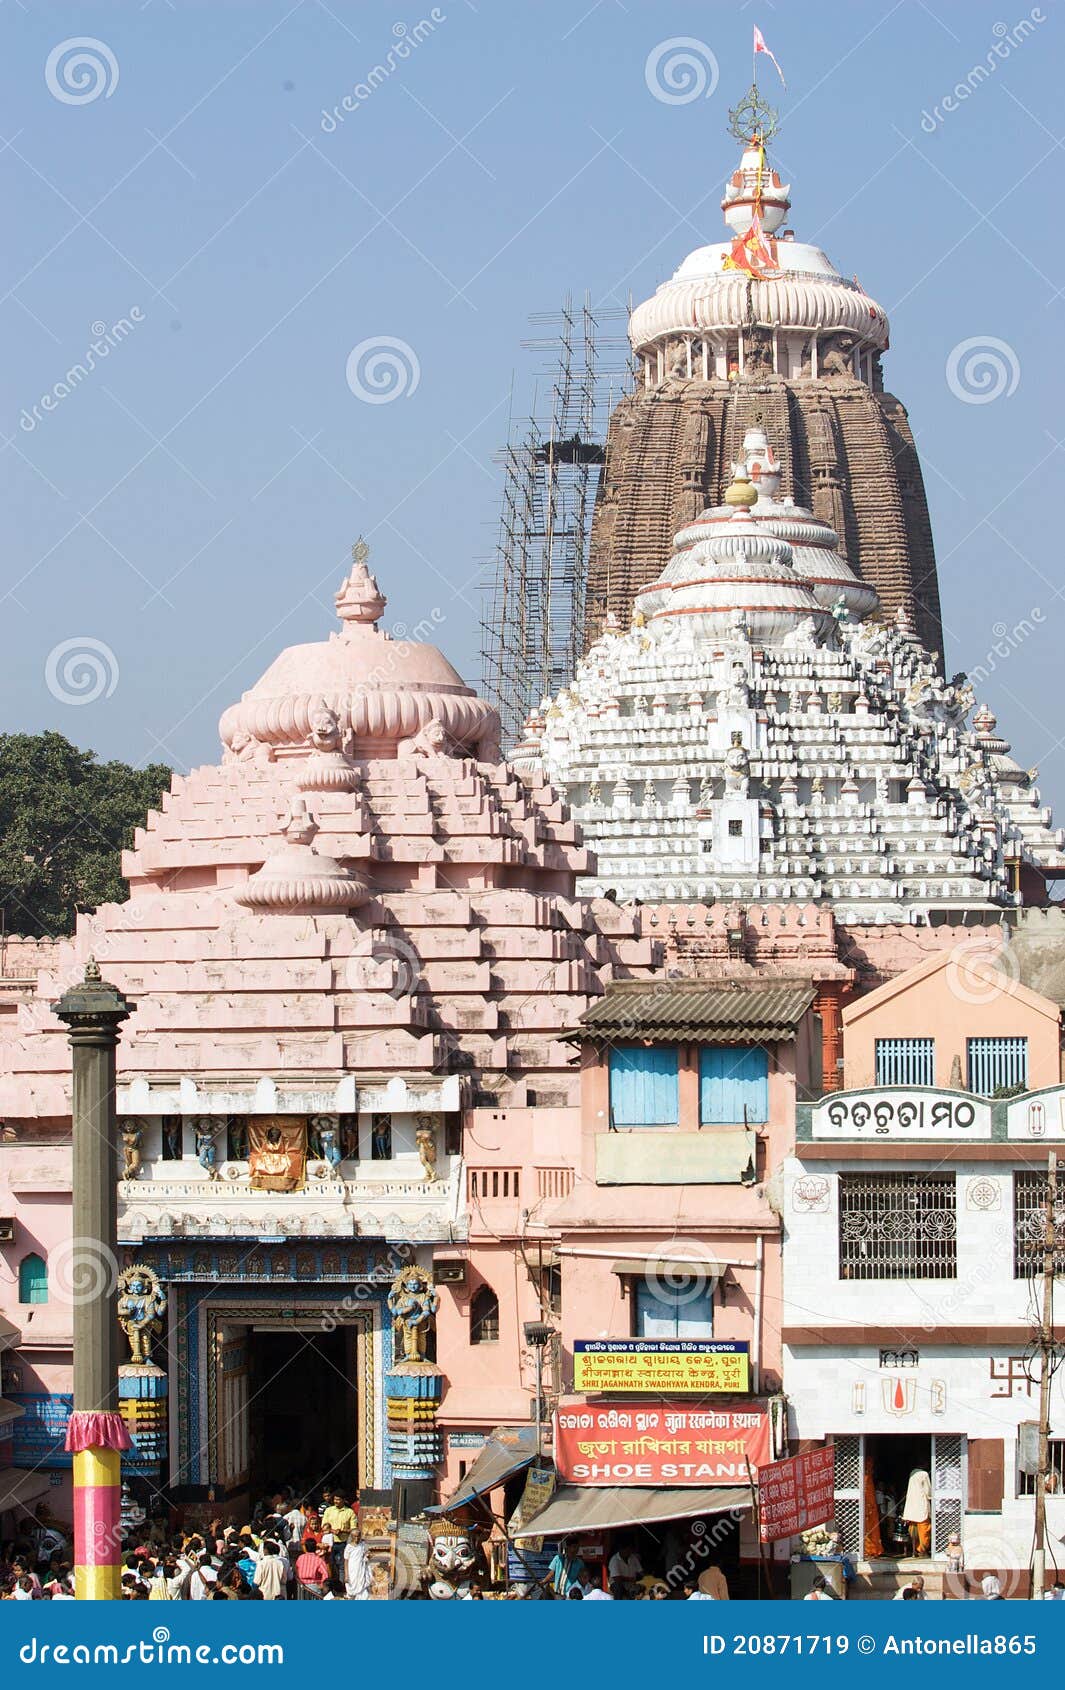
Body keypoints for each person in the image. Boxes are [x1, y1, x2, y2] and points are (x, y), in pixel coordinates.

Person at [901, 1468, 932, 1558]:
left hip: (911, 1507)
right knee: (925, 1530)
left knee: (913, 1532)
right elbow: (928, 1492)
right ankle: (922, 1550)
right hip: (921, 1506)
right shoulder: (924, 1474)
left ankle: (914, 1550)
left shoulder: (912, 1472)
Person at [343, 1530, 373, 1600]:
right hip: (352, 1570)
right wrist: (346, 1575)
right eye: (355, 1536)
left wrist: (368, 1556)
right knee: (351, 1588)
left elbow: (367, 1555)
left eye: (358, 1536)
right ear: (352, 1536)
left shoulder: (363, 1545)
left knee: (362, 1587)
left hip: (361, 1569)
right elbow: (346, 1561)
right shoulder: (349, 1547)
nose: (357, 1538)